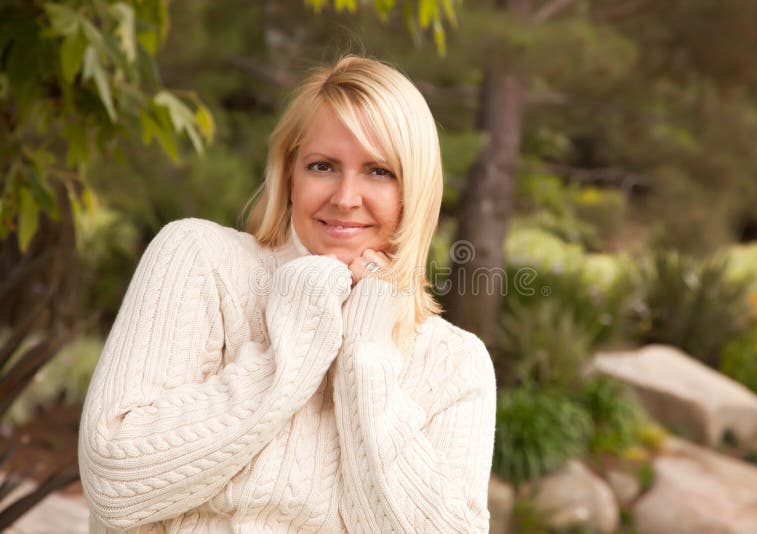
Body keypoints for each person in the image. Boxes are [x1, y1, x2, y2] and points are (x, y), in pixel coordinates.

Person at [78, 55, 497, 533]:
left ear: (415, 191)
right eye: (323, 166)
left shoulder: (456, 362)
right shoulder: (200, 260)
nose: (345, 197)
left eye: (379, 171)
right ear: (290, 173)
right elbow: (113, 481)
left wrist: (365, 360)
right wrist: (295, 349)